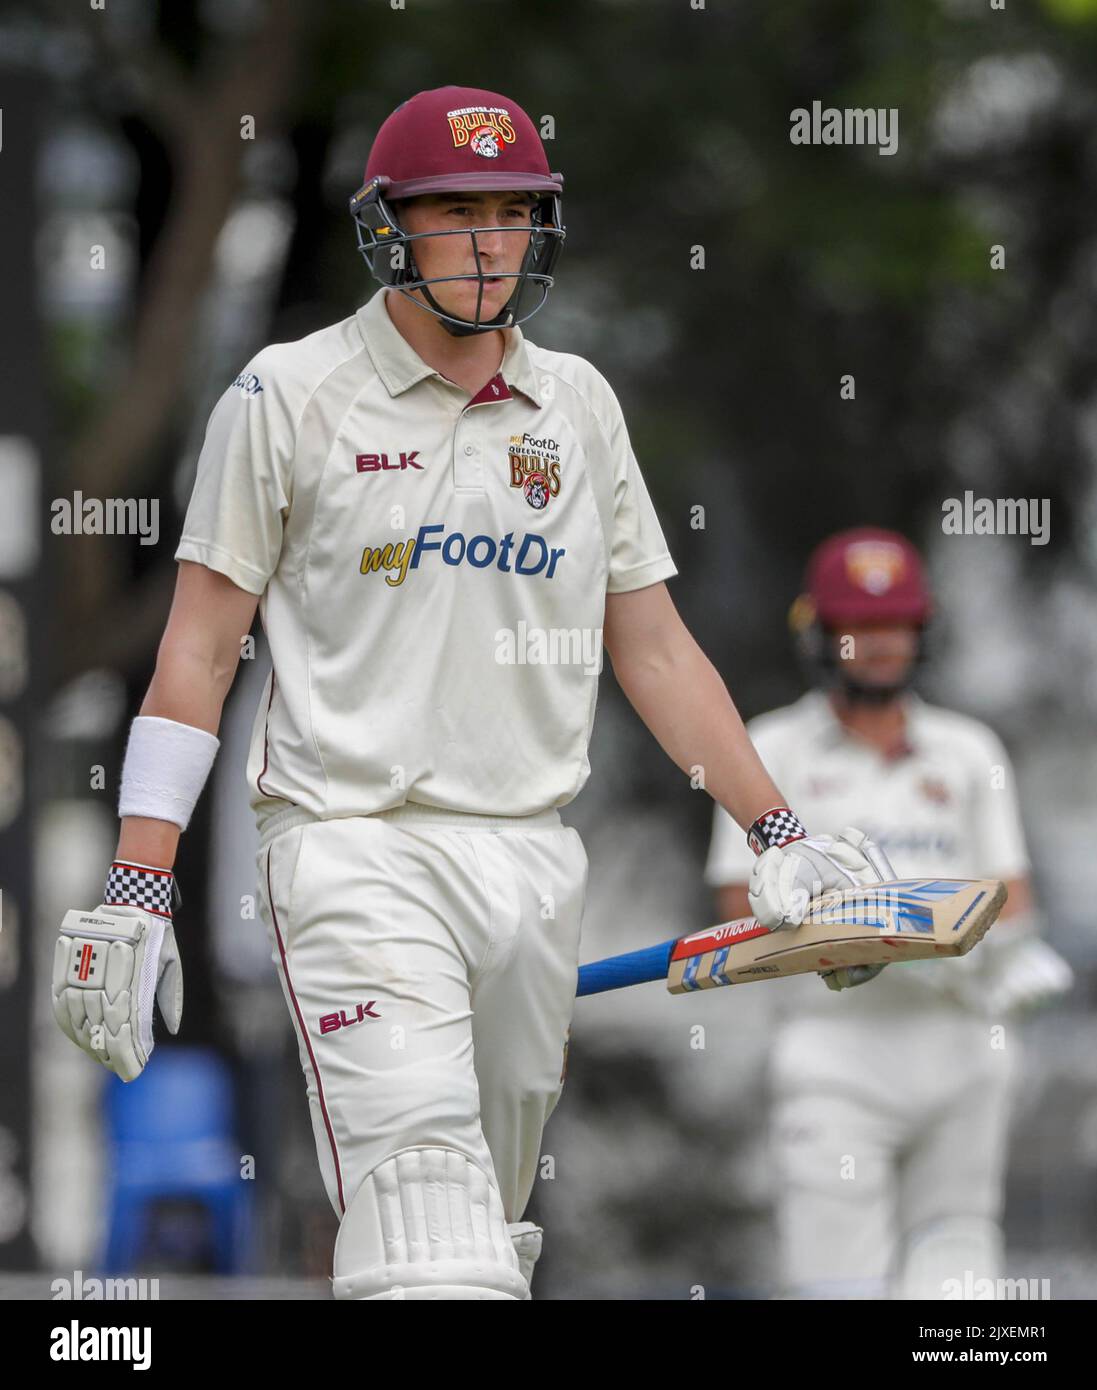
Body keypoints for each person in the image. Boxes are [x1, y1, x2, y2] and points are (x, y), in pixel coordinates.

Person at [52, 87, 894, 1301]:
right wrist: (139, 880)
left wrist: (780, 829)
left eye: (514, 212)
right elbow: (194, 650)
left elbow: (651, 648)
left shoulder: (579, 407)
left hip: (531, 868)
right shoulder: (285, 397)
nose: (490, 242)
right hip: (353, 850)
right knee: (423, 1228)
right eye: (456, 214)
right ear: (386, 227)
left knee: (480, 1239)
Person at [704, 527, 1072, 1299]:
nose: (878, 647)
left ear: (921, 633)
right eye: (858, 629)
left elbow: (1009, 889)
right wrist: (850, 932)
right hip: (834, 1048)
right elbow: (736, 906)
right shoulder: (767, 750)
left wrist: (1007, 950)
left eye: (895, 627)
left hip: (959, 1044)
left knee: (959, 1272)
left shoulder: (968, 752)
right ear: (819, 634)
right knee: (835, 1280)